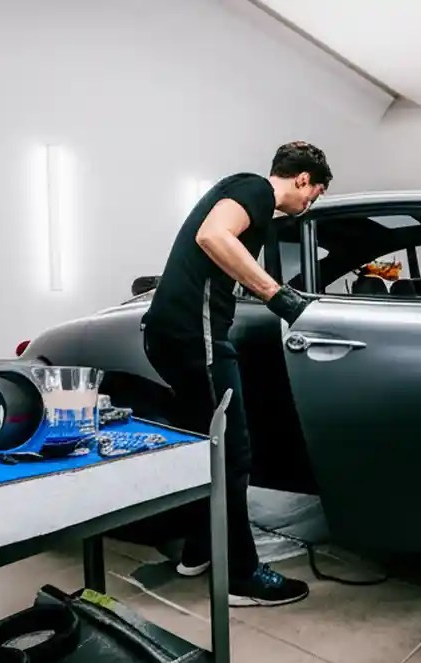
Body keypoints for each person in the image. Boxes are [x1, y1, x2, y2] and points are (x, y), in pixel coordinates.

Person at [140, 141, 330, 606]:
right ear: (302, 179)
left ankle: (199, 550)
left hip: (177, 334)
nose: (310, 204)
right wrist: (277, 296)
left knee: (208, 449)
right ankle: (240, 577)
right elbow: (212, 236)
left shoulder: (249, 200)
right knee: (232, 454)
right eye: (315, 193)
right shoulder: (255, 190)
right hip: (196, 336)